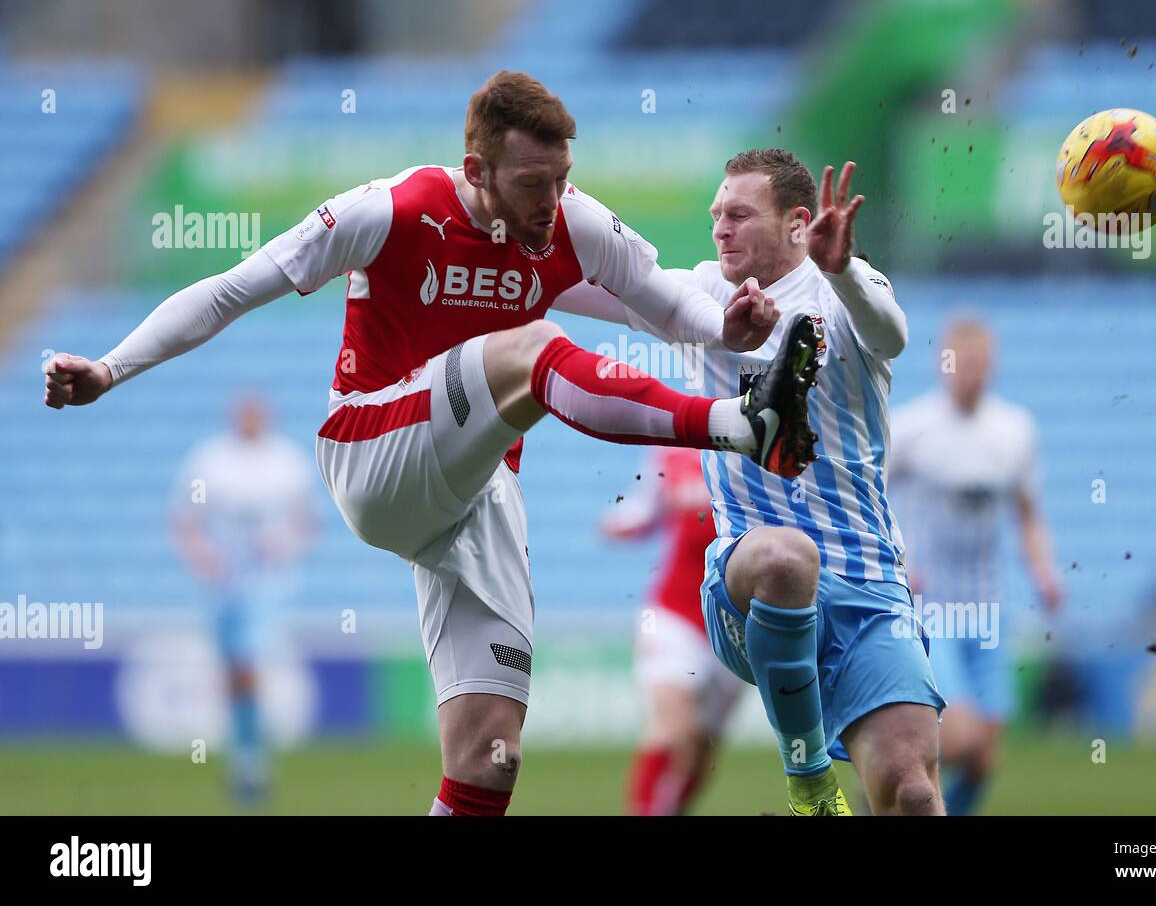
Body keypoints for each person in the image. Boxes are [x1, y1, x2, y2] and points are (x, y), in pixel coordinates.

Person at [43, 70, 822, 816]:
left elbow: (668, 305)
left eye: (562, 178)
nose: (553, 201)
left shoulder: (571, 222)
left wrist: (728, 325)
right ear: (476, 167)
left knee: (491, 756)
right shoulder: (389, 211)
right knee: (534, 346)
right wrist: (111, 368)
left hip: (473, 491)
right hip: (372, 450)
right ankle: (742, 425)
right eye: (531, 183)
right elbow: (233, 288)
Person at [555, 150, 946, 815]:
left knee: (910, 791)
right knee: (786, 555)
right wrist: (503, 241)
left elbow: (894, 335)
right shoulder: (702, 294)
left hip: (870, 585)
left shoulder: (847, 290)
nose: (720, 228)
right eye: (716, 215)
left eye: (739, 214)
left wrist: (841, 265)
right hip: (747, 581)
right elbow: (588, 286)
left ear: (799, 223)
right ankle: (811, 783)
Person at [890, 317, 1063, 815]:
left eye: (980, 364)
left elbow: (1027, 512)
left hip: (989, 608)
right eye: (961, 363)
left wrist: (1044, 572)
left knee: (984, 756)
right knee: (960, 735)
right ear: (942, 366)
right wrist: (898, 559)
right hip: (931, 607)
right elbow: (872, 494)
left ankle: (897, 794)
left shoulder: (1014, 430)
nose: (971, 374)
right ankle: (892, 782)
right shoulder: (913, 427)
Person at [172, 393, 315, 802]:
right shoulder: (210, 459)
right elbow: (185, 519)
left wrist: (283, 546)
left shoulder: (286, 460)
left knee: (249, 663)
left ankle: (252, 764)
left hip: (268, 583)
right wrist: (202, 556)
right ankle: (245, 755)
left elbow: (305, 520)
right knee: (233, 670)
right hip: (221, 583)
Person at [602, 447, 739, 816]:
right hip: (674, 614)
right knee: (673, 727)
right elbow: (643, 511)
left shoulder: (764, 456)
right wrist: (620, 523)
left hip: (735, 630)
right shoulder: (672, 452)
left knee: (701, 749)